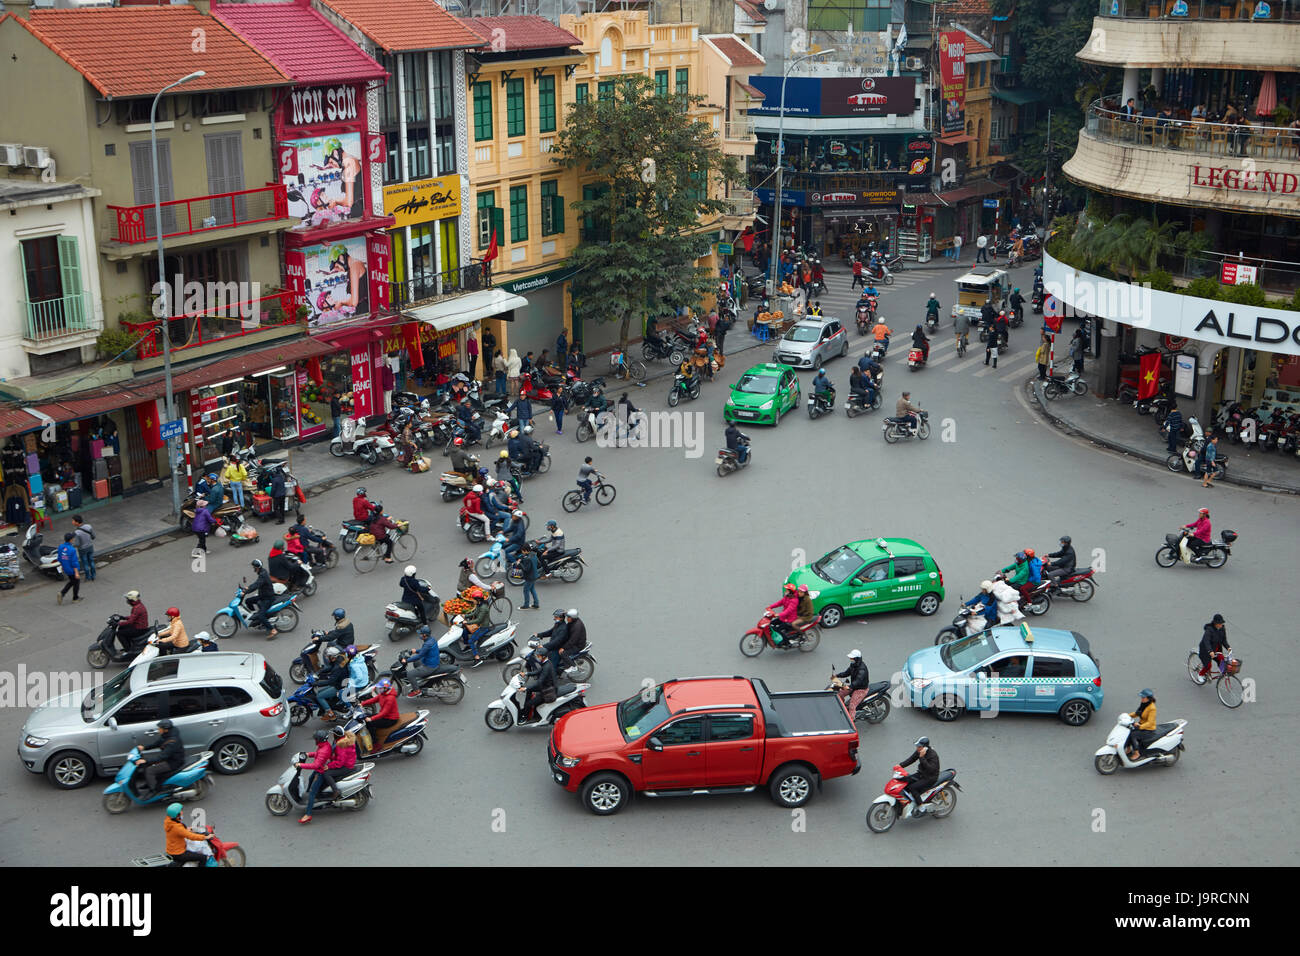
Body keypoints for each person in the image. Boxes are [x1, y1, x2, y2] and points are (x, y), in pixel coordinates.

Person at [295, 729, 335, 824]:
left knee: (312, 792)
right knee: (310, 778)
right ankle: (308, 794)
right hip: (320, 769)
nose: (315, 741)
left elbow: (315, 765)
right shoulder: (324, 745)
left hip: (320, 772)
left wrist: (301, 765)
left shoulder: (323, 750)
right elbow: (318, 755)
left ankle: (308, 814)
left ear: (319, 740)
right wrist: (309, 754)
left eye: (316, 739)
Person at [135, 719, 185, 797]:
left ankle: (155, 790)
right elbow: (157, 743)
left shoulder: (172, 741)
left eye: (159, 728)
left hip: (173, 762)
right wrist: (144, 748)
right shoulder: (167, 735)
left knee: (150, 770)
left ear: (165, 729)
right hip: (168, 758)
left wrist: (145, 760)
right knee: (146, 765)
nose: (158, 730)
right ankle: (149, 783)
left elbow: (162, 757)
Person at [898, 737, 939, 816]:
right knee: (905, 782)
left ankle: (921, 807)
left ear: (925, 747)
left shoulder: (933, 755)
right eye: (917, 746)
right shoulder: (920, 751)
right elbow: (912, 759)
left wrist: (921, 757)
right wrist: (900, 765)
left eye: (919, 746)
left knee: (912, 787)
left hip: (930, 777)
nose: (917, 748)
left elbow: (930, 769)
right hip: (922, 774)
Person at [359, 678, 400, 751]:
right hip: (384, 716)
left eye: (380, 688)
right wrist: (362, 704)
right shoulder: (383, 694)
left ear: (385, 688)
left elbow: (384, 713)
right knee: (366, 717)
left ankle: (376, 745)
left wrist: (371, 719)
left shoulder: (390, 698)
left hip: (390, 719)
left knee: (370, 723)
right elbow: (374, 699)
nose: (379, 689)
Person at [522, 644, 558, 722]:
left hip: (547, 691)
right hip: (546, 686)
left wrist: (526, 687)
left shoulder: (546, 666)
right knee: (529, 691)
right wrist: (526, 674)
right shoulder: (546, 663)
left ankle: (528, 718)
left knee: (529, 704)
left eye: (538, 656)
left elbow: (539, 682)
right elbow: (538, 671)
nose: (537, 657)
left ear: (543, 657)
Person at [312, 646, 348, 719]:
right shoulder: (338, 659)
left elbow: (330, 681)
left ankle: (331, 714)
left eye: (328, 656)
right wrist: (319, 672)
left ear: (332, 657)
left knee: (319, 696)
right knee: (319, 692)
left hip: (338, 686)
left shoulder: (338, 667)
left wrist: (316, 684)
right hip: (339, 682)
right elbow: (330, 667)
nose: (327, 658)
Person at [247, 559, 280, 639]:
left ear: (257, 567)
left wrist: (247, 591)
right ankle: (256, 616)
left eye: (254, 567)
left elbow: (257, 585)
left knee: (261, 616)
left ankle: (273, 630)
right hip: (263, 596)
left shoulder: (263, 575)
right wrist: (247, 588)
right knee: (248, 601)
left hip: (267, 598)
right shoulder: (262, 572)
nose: (253, 569)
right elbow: (256, 583)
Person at [1196, 614, 1232, 682]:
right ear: (1216, 623)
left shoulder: (1222, 629)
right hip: (1206, 650)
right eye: (1220, 623)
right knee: (1208, 666)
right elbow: (1206, 641)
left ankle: (1223, 672)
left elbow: (1224, 640)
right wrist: (1210, 651)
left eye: (1222, 623)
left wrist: (1228, 647)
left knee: (1221, 659)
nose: (1221, 624)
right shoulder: (1209, 630)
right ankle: (1200, 674)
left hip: (1216, 649)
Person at [834, 649, 871, 716]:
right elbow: (847, 673)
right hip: (854, 686)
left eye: (852, 658)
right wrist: (837, 675)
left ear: (857, 659)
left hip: (861, 689)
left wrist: (850, 686)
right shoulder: (853, 665)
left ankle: (851, 722)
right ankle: (842, 708)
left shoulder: (862, 669)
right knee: (840, 693)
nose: (851, 659)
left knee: (852, 705)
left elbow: (858, 681)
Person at [1126, 689, 1158, 760]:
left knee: (1133, 735)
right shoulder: (1144, 704)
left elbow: (1150, 723)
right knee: (1128, 730)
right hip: (1141, 725)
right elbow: (1137, 713)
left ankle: (1137, 753)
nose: (1142, 699)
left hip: (1149, 730)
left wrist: (1140, 726)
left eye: (1143, 697)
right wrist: (1126, 716)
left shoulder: (1152, 708)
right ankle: (1128, 749)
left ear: (1148, 698)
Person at [56, 532, 81, 605]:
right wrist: (76, 573)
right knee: (76, 582)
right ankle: (75, 598)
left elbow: (59, 558)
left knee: (72, 581)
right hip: (72, 570)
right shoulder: (72, 549)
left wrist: (63, 567)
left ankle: (62, 593)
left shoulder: (61, 547)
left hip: (66, 568)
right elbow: (74, 562)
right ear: (71, 540)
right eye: (73, 538)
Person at [71, 514, 96, 581]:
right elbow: (93, 536)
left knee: (85, 563)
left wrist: (72, 545)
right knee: (91, 561)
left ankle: (88, 577)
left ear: (77, 522)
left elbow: (77, 544)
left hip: (82, 549)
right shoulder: (89, 526)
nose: (72, 522)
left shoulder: (76, 532)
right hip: (90, 547)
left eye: (73, 521)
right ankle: (93, 575)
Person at [518, 544, 541, 610]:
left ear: (525, 551)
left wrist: (520, 564)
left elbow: (526, 569)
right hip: (534, 575)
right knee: (532, 589)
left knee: (526, 590)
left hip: (529, 577)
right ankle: (536, 604)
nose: (522, 552)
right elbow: (539, 564)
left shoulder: (527, 559)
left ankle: (526, 605)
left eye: (522, 551)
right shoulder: (533, 554)